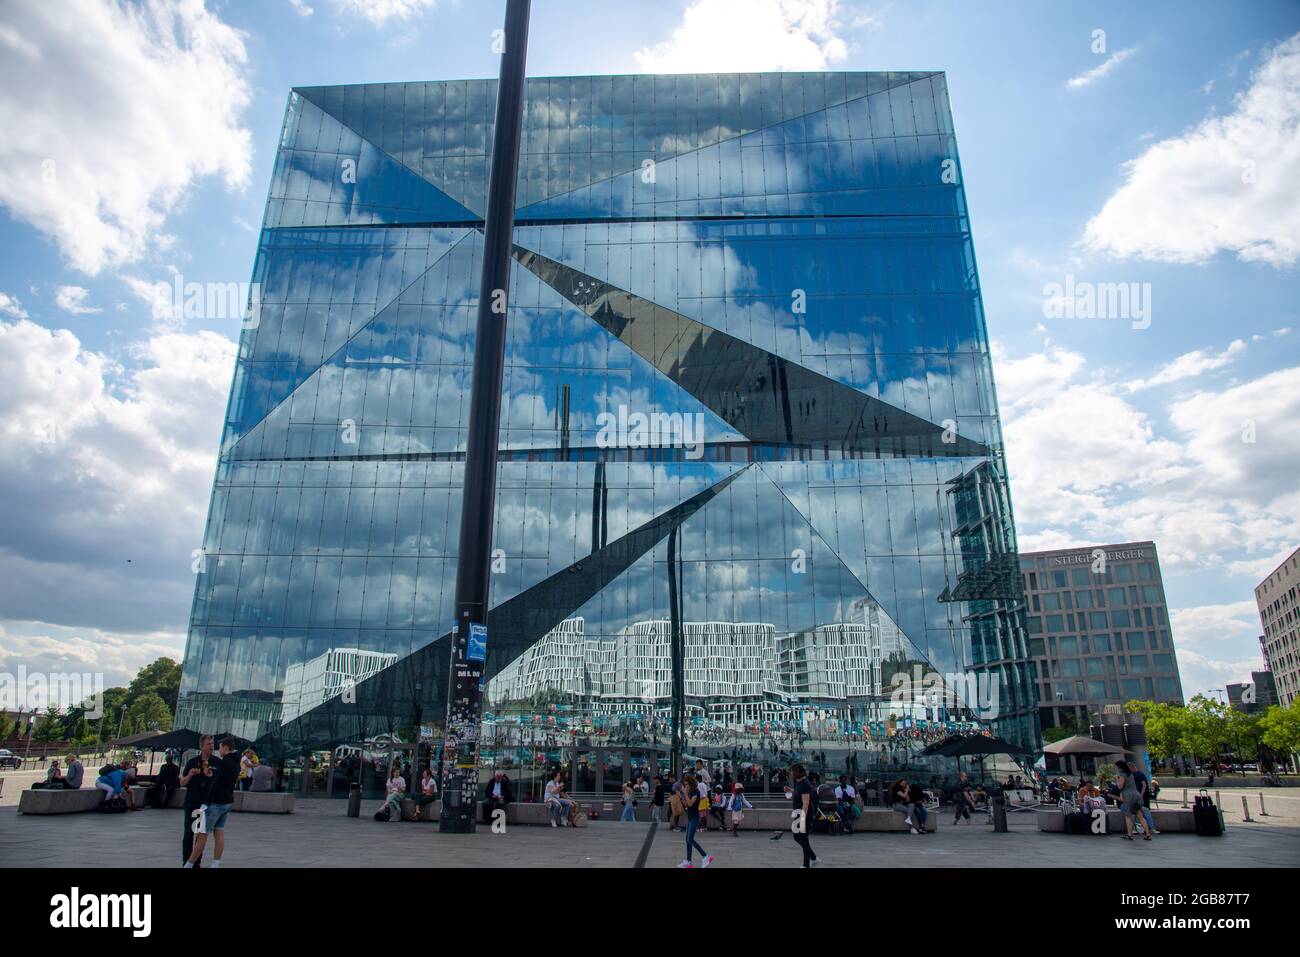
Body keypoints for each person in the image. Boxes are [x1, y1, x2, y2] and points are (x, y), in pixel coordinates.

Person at [184, 738, 241, 868]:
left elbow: (216, 784)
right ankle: (215, 864)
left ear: (226, 748)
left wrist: (207, 802)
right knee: (219, 832)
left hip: (216, 803)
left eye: (220, 747)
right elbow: (223, 781)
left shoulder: (224, 762)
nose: (218, 750)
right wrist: (211, 776)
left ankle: (189, 864)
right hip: (227, 801)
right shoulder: (236, 762)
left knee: (202, 834)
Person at [180, 735, 217, 865]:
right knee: (188, 834)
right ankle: (185, 862)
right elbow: (182, 783)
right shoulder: (192, 762)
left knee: (200, 836)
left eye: (212, 743)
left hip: (206, 804)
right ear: (201, 746)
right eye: (208, 744)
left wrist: (211, 776)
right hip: (191, 802)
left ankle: (196, 863)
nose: (211, 746)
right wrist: (190, 775)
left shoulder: (217, 763)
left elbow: (221, 784)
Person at [677, 773, 713, 868]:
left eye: (687, 784)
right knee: (687, 840)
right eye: (685, 784)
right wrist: (681, 796)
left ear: (691, 783)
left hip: (694, 818)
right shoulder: (689, 792)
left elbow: (690, 803)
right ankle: (688, 861)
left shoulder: (696, 792)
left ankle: (705, 856)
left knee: (690, 839)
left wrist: (685, 793)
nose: (686, 786)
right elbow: (687, 805)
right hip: (690, 817)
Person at [787, 763, 818, 868]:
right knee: (797, 836)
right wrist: (790, 790)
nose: (791, 773)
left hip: (803, 813)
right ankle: (813, 858)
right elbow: (799, 793)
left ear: (797, 772)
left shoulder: (805, 784)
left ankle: (806, 865)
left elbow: (806, 803)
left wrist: (802, 818)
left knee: (803, 838)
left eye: (792, 771)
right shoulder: (799, 783)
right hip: (797, 812)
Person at [1116, 763, 1149, 842]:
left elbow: (1120, 786)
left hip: (1129, 797)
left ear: (1120, 768)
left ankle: (1129, 834)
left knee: (1128, 816)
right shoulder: (1130, 774)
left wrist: (1117, 779)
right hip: (1136, 795)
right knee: (1140, 816)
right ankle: (1148, 834)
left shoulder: (1122, 775)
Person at [1125, 761, 1159, 837]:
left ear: (1132, 767)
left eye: (1129, 769)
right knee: (1139, 813)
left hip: (1141, 797)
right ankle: (1146, 829)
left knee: (1144, 812)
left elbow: (1144, 785)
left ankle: (1149, 829)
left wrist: (1141, 795)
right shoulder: (1133, 775)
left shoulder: (1140, 774)